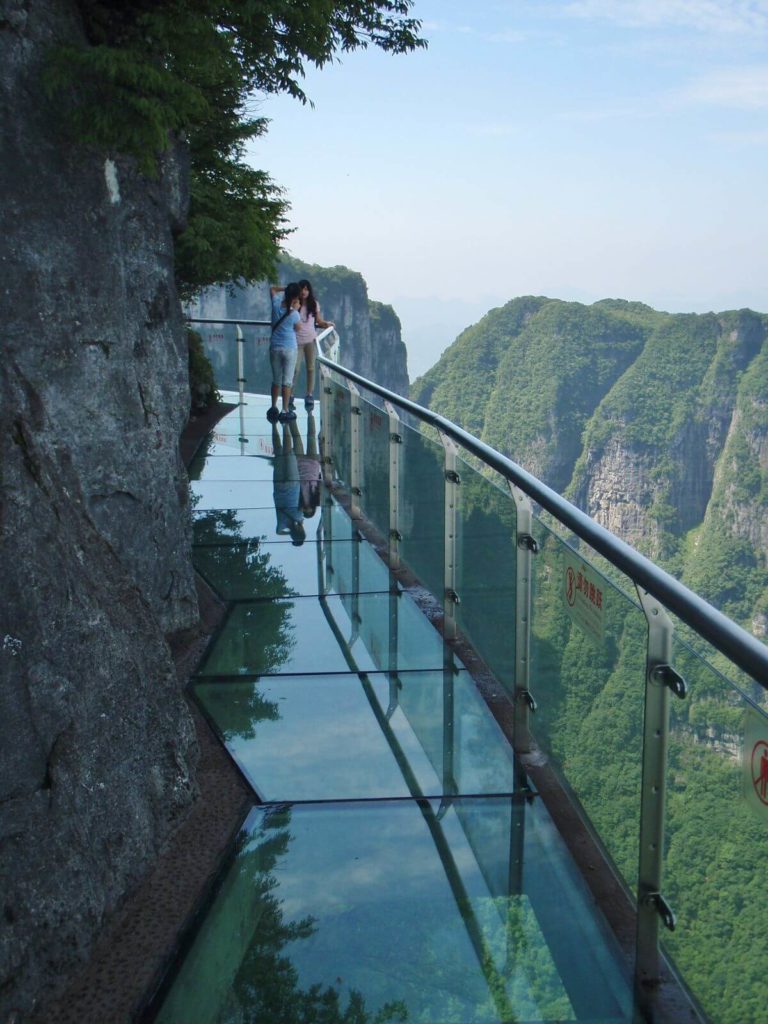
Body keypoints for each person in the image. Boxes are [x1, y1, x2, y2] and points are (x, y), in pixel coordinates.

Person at [290, 278, 334, 410]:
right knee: (295, 369)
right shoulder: (294, 303)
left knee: (310, 368)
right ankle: (290, 394)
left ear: (309, 291)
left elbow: (318, 321)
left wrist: (327, 324)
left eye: (306, 289)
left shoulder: (314, 304)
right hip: (296, 341)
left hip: (310, 340)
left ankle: (309, 394)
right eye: (302, 289)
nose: (304, 292)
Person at [268, 282, 301, 422]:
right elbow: (298, 328)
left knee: (276, 380)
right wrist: (296, 308)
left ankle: (273, 407)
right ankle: (285, 410)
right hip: (289, 348)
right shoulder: (294, 314)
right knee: (287, 381)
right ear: (295, 297)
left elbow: (273, 288)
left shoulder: (275, 304)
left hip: (275, 347)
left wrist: (286, 289)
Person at [271, 419, 305, 545]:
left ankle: (285, 425)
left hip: (293, 484)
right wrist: (290, 532)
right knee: (278, 451)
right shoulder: (282, 524)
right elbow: (278, 532)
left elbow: (302, 506)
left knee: (288, 452)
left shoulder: (299, 517)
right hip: (279, 486)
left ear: (301, 531)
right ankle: (274, 424)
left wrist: (299, 525)